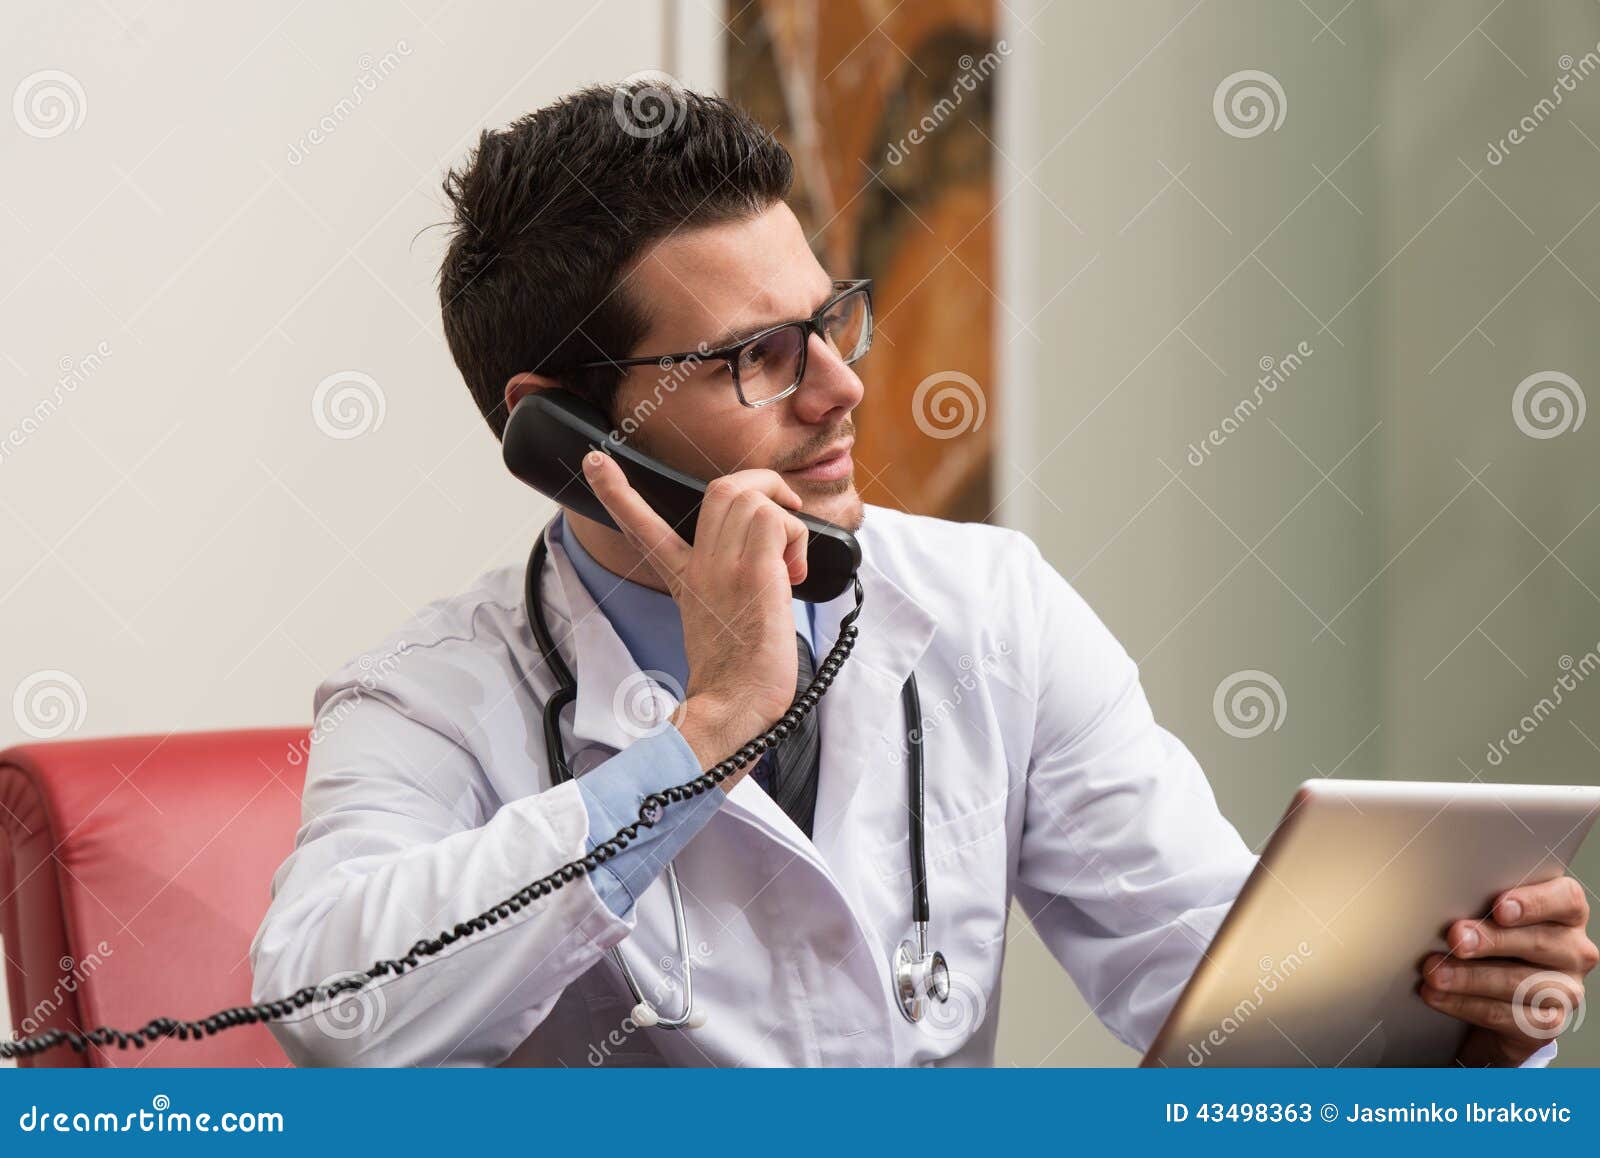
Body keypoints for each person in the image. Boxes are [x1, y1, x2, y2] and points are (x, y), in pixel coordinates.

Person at [249, 80, 1595, 1067]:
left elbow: (1230, 1012)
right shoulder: (429, 696)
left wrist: (1458, 1007)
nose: (842, 387)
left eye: (833, 319)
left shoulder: (985, 608)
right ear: (562, 430)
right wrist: (709, 732)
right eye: (756, 355)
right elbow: (329, 1003)